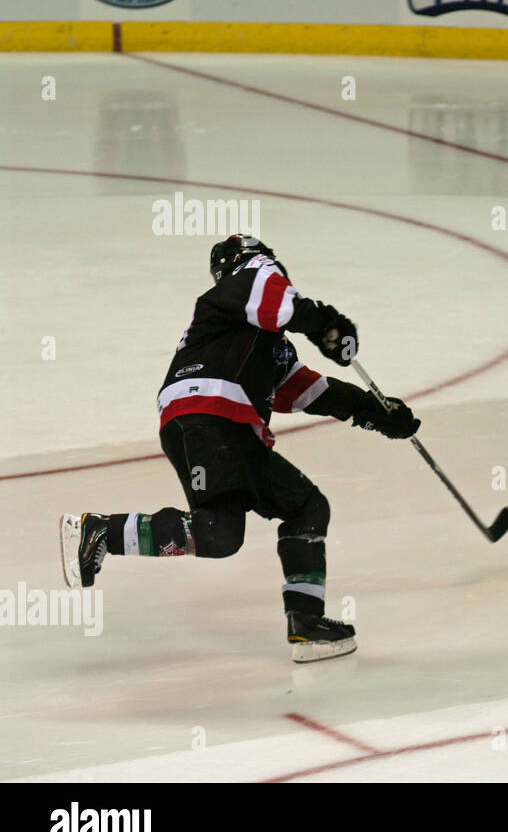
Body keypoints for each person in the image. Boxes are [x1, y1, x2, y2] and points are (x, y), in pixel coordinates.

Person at [59, 235, 420, 663]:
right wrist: (328, 325)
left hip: (221, 427)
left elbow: (305, 390)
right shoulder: (249, 277)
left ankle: (306, 623)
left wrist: (374, 411)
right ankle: (97, 531)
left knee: (281, 514)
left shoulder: (263, 339)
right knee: (225, 529)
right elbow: (281, 299)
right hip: (208, 419)